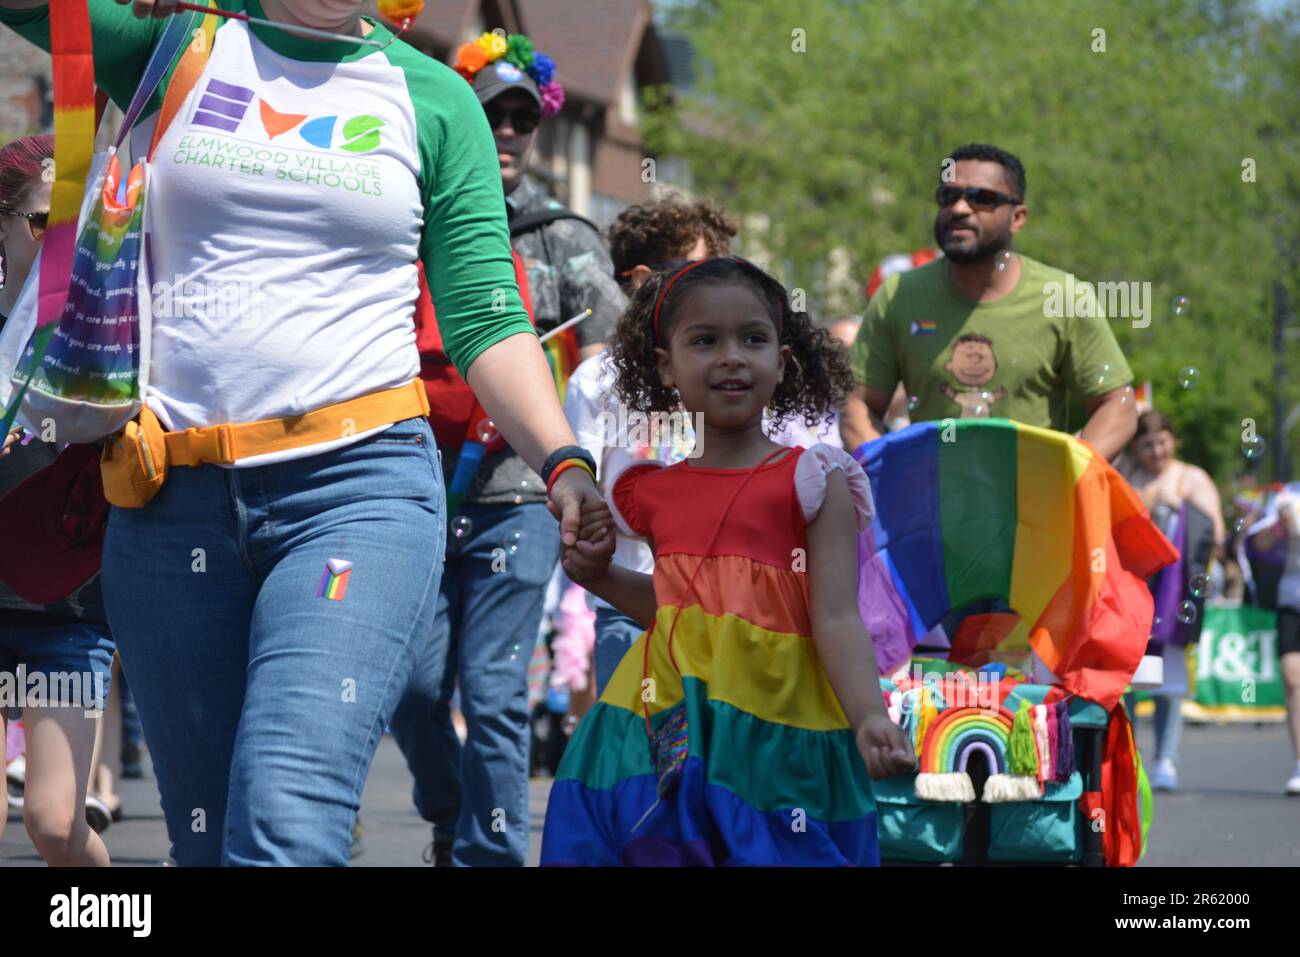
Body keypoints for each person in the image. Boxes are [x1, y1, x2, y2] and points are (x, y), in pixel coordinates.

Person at [0, 0, 605, 866]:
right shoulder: (173, 47)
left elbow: (485, 319)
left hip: (359, 494)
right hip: (169, 504)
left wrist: (565, 460)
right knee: (208, 844)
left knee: (285, 819)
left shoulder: (435, 99)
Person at [541, 257, 916, 865]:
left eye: (753, 338)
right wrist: (601, 577)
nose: (732, 356)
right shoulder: (651, 491)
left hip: (777, 723)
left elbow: (837, 615)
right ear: (666, 367)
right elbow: (678, 609)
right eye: (704, 340)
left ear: (783, 361)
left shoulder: (815, 479)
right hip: (663, 714)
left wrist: (869, 715)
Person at [389, 33, 624, 867]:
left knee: (492, 690)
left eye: (525, 115)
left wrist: (579, 465)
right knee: (411, 689)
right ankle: (452, 809)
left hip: (521, 489)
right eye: (496, 112)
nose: (511, 129)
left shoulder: (568, 240)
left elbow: (609, 367)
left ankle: (490, 853)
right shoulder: (410, 214)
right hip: (411, 481)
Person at [841, 143, 1137, 460]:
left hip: (1035, 504)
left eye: (982, 198)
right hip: (932, 502)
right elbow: (857, 405)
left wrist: (1070, 474)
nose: (960, 209)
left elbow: (1118, 405)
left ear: (1018, 217)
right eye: (948, 196)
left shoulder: (1065, 297)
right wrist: (890, 475)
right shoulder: (897, 295)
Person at [563, 195, 737, 697]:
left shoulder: (730, 376)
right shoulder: (597, 380)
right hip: (629, 603)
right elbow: (585, 490)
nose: (714, 288)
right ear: (642, 279)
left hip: (723, 607)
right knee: (635, 749)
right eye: (696, 271)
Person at [0, 133, 113, 865]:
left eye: (74, 218)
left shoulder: (104, 322)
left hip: (66, 606)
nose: (60, 237)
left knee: (53, 821)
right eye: (44, 219)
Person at [1121, 410, 1225, 791]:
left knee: (1169, 680)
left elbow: (1215, 530)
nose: (1156, 451)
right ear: (1136, 447)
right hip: (1132, 591)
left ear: (1173, 440)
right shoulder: (1128, 474)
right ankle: (1127, 755)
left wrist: (1179, 507)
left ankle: (1166, 758)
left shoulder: (1190, 477)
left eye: (1162, 442)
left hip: (1173, 593)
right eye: (1147, 445)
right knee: (1129, 679)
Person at [1246, 484, 1300, 795]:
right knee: (1293, 680)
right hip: (1292, 601)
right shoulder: (1286, 499)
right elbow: (1258, 545)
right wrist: (1280, 527)